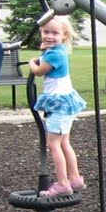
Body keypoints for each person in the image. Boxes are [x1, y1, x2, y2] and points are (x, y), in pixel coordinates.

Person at [28, 14, 87, 197]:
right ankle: (75, 179)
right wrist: (44, 50)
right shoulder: (58, 50)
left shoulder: (54, 55)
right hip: (65, 104)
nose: (49, 36)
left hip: (59, 105)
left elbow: (39, 71)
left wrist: (31, 62)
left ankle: (62, 184)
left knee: (53, 145)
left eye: (54, 33)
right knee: (64, 143)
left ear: (64, 35)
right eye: (46, 32)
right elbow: (46, 55)